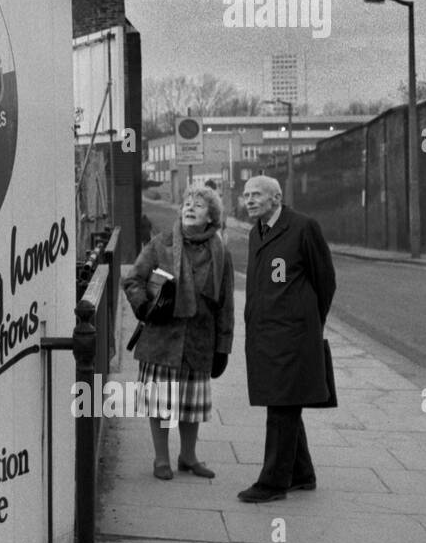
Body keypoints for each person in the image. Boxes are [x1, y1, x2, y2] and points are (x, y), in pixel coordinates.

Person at [122, 187, 234, 480]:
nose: (190, 207)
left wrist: (223, 346)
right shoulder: (162, 243)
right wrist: (144, 307)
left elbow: (225, 303)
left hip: (199, 339)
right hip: (162, 337)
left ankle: (188, 456)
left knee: (191, 404)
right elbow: (133, 278)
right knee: (159, 402)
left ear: (211, 217)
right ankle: (161, 459)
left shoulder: (221, 252)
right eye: (187, 203)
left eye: (198, 205)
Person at [238, 175, 337, 503]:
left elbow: (325, 280)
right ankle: (301, 473)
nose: (249, 200)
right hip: (265, 334)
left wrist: (308, 321)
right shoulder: (256, 232)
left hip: (294, 335)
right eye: (246, 195)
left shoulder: (303, 227)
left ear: (276, 198)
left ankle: (273, 483)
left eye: (257, 195)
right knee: (284, 400)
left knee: (281, 405)